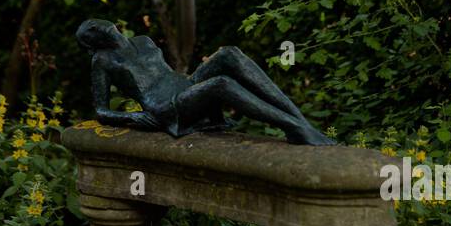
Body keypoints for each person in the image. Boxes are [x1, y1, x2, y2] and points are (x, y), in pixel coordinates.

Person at [76, 19, 335, 146]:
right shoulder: (102, 61)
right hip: (168, 107)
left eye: (94, 23)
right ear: (91, 43)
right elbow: (100, 110)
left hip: (185, 86)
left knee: (229, 53)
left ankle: (300, 122)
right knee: (220, 84)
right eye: (90, 31)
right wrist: (132, 118)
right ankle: (293, 127)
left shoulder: (143, 40)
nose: (96, 26)